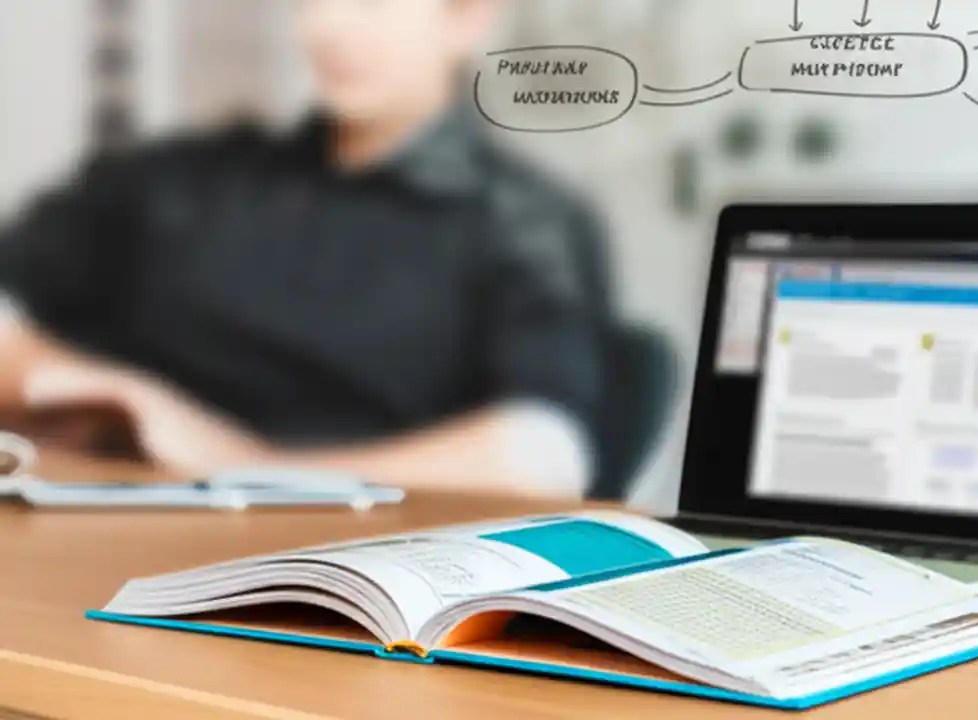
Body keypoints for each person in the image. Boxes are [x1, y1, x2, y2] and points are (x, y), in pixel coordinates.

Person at [0, 0, 610, 497]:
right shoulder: (184, 177)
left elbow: (542, 453)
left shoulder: (523, 221)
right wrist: (86, 389)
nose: (326, 25)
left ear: (467, 18)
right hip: (79, 506)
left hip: (324, 555)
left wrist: (246, 466)